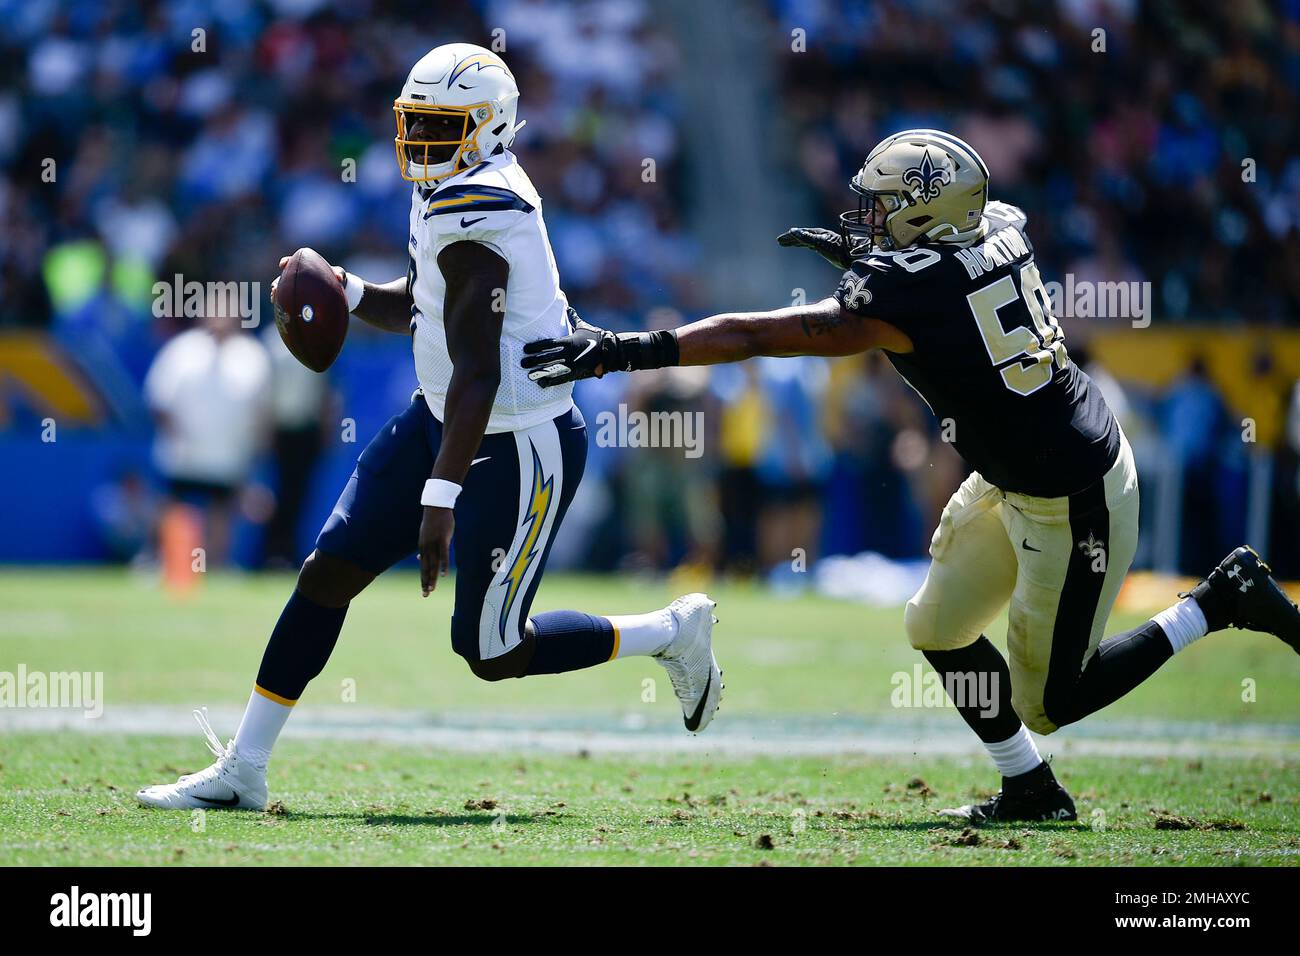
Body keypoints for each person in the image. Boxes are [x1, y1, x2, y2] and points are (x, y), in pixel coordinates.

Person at [522, 128, 1300, 822]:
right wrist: (872, 255)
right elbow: (940, 268)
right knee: (935, 628)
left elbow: (763, 333)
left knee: (1056, 699)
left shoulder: (904, 290)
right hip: (1017, 472)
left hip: (1078, 496)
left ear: (927, 216)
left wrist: (628, 348)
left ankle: (1218, 600)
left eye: (883, 206)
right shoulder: (998, 224)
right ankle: (1029, 787)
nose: (866, 218)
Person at [137, 44, 721, 812]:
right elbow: (423, 302)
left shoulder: (482, 211)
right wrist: (345, 288)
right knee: (328, 571)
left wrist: (439, 497)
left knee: (490, 650)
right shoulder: (448, 186)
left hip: (520, 439)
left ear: (491, 128)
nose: (420, 142)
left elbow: (480, 369)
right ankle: (245, 767)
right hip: (445, 413)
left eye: (442, 126)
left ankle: (669, 632)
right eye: (415, 123)